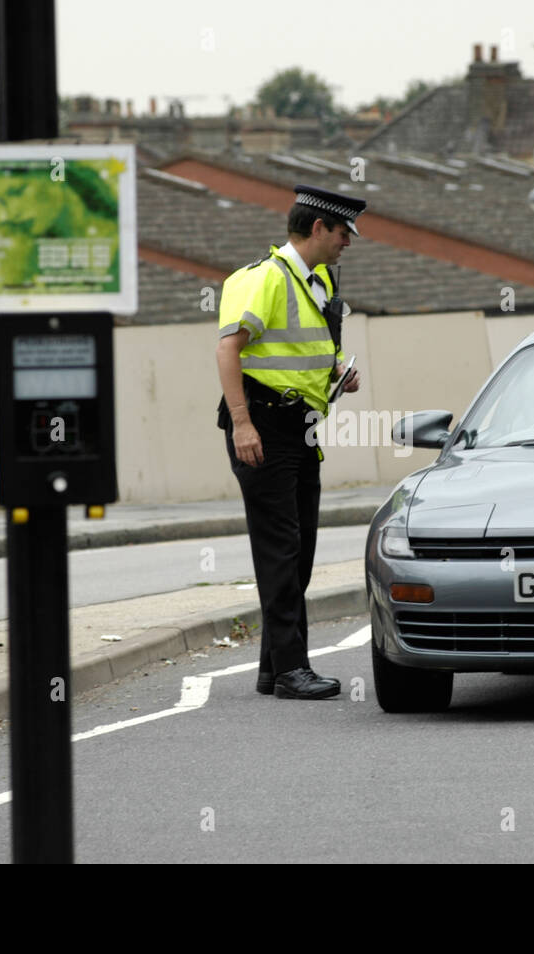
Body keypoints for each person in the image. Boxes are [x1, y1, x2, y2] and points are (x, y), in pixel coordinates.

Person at [215, 184, 365, 700]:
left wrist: (338, 371)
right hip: (262, 426)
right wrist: (241, 423)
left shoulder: (317, 280)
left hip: (299, 429)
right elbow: (228, 350)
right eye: (344, 233)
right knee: (281, 549)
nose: (349, 242)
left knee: (297, 552)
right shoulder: (264, 279)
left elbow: (300, 350)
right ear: (319, 227)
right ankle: (290, 671)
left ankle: (271, 666)